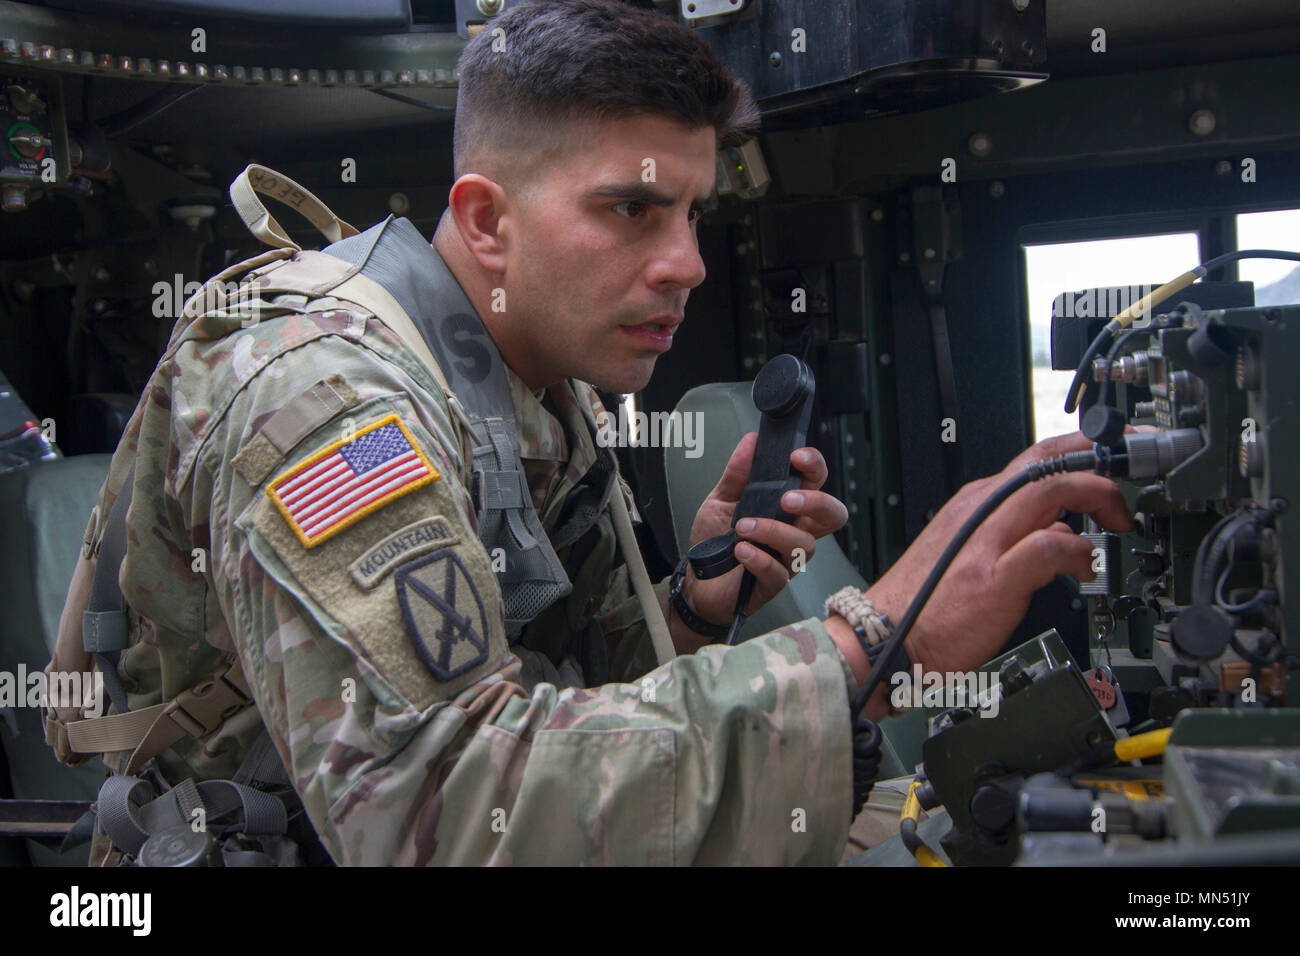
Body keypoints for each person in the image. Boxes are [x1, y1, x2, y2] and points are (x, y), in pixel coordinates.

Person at [43, 0, 1130, 865]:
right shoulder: (328, 396)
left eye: (694, 213)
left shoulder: (534, 380)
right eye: (631, 210)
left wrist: (695, 606)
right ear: (486, 223)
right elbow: (446, 809)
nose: (688, 264)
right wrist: (880, 638)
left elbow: (550, 696)